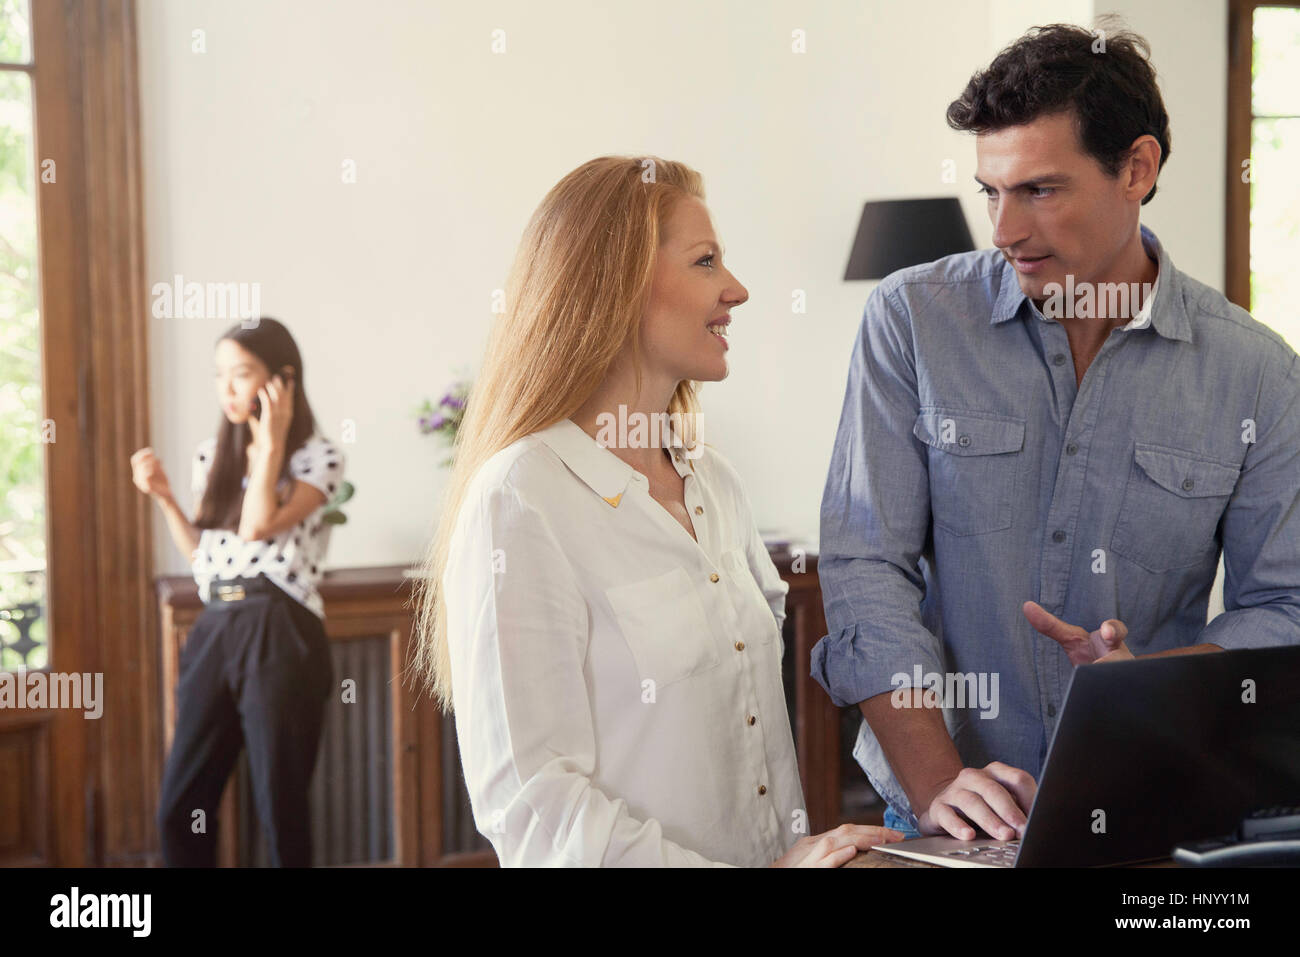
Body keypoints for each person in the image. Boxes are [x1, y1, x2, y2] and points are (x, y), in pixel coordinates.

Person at [812, 23, 1300, 844]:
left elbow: (1285, 606)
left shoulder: (1258, 373)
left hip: (1155, 816)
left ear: (1136, 170)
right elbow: (867, 567)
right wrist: (940, 788)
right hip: (942, 826)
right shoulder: (911, 322)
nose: (1004, 230)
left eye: (1039, 190)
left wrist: (1145, 687)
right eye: (990, 192)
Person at [412, 155, 903, 866]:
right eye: (706, 262)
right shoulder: (520, 499)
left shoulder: (716, 486)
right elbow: (535, 809)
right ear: (616, 284)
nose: (735, 289)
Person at [132, 317, 345, 866]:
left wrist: (269, 441)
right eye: (219, 375)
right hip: (215, 626)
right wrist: (164, 499)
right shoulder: (212, 456)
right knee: (180, 806)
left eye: (242, 373)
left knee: (279, 808)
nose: (227, 388)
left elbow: (256, 527)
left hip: (279, 625)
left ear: (281, 381)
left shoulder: (319, 457)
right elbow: (207, 557)